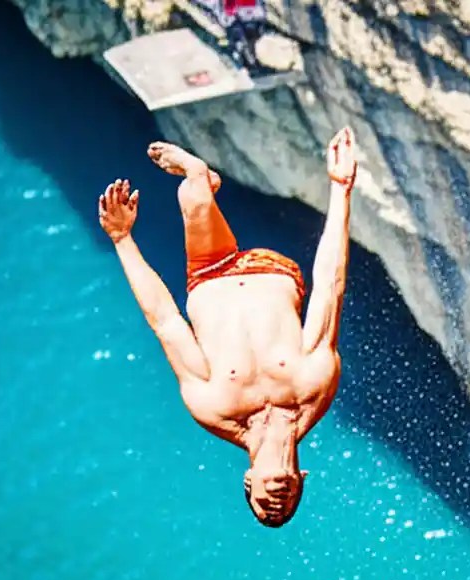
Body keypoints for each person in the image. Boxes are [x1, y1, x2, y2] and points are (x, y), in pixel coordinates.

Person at [96, 127, 358, 528]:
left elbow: (166, 322)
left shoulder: (214, 406)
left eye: (262, 505)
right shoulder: (314, 388)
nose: (276, 505)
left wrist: (121, 239)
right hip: (272, 269)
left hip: (211, 272)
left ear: (247, 480)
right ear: (301, 480)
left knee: (194, 188)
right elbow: (330, 287)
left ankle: (206, 185)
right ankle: (208, 193)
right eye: (286, 507)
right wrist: (341, 189)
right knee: (197, 195)